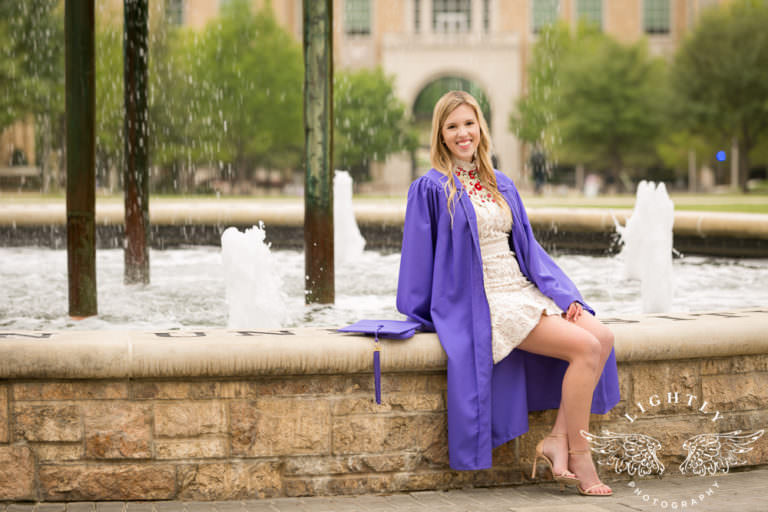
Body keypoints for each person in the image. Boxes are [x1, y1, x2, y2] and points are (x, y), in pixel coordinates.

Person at [396, 91, 620, 496]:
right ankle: (581, 455)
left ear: (481, 127)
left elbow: (529, 250)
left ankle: (555, 439)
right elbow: (417, 259)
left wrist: (564, 296)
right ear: (440, 135)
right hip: (486, 300)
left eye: (469, 123)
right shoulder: (430, 188)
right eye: (452, 127)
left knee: (602, 337)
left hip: (523, 287)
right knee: (585, 350)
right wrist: (426, 316)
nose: (463, 133)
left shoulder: (501, 183)